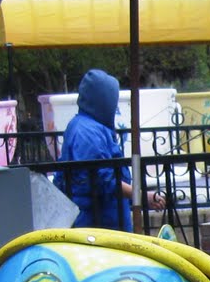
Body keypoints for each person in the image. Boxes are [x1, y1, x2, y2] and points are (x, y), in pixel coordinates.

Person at [53, 69, 162, 231]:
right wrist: (142, 196)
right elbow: (105, 182)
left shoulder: (88, 126)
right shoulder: (87, 133)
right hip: (98, 223)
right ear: (103, 99)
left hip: (105, 218)